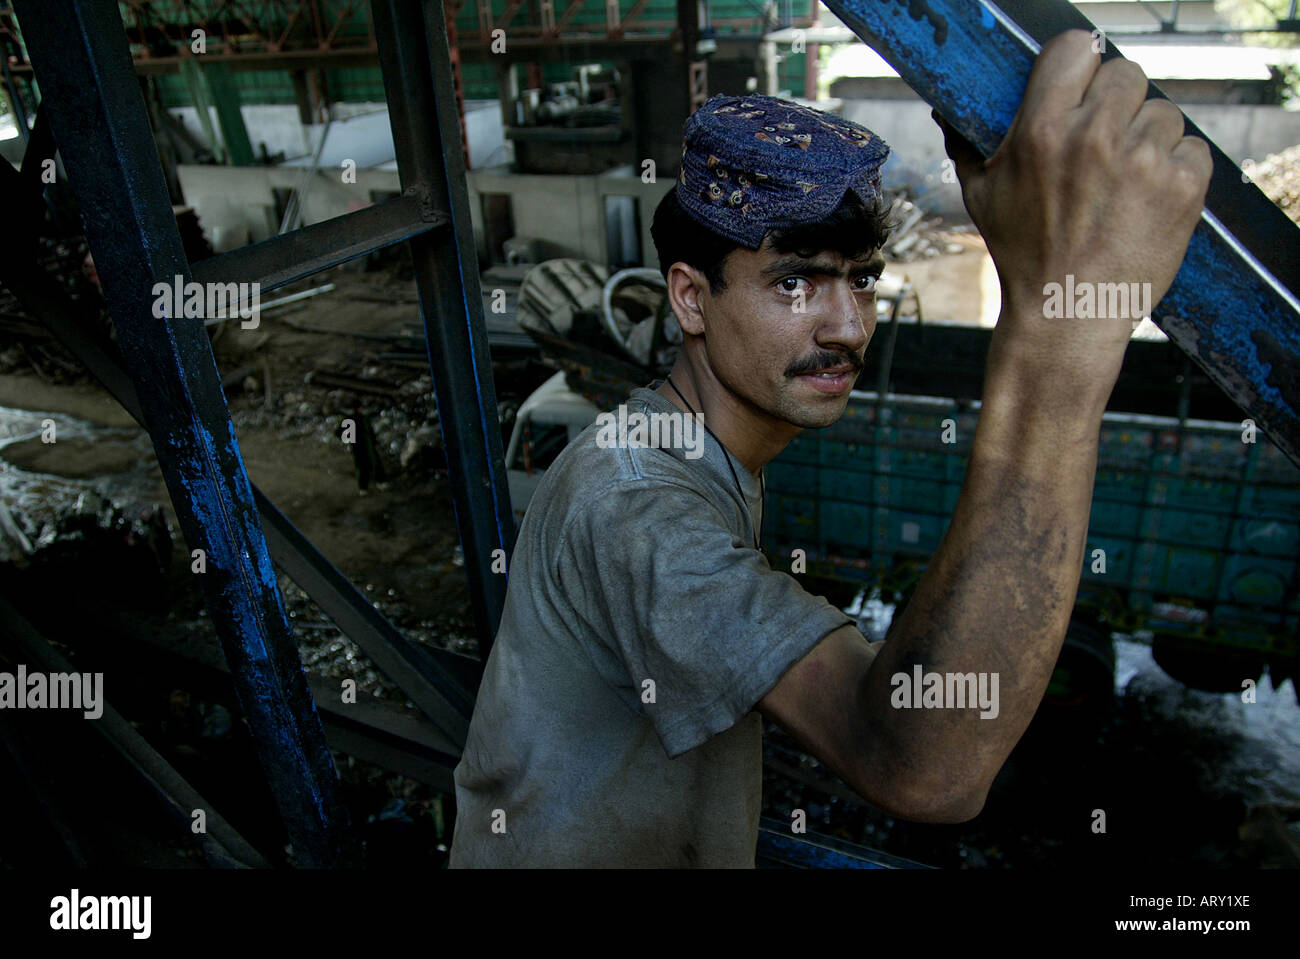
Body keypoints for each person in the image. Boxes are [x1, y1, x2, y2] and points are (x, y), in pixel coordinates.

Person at [448, 29, 1212, 867]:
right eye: (793, 281)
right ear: (691, 298)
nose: (849, 326)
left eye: (861, 279)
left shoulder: (689, 454)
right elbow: (924, 766)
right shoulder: (631, 507)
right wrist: (1065, 337)